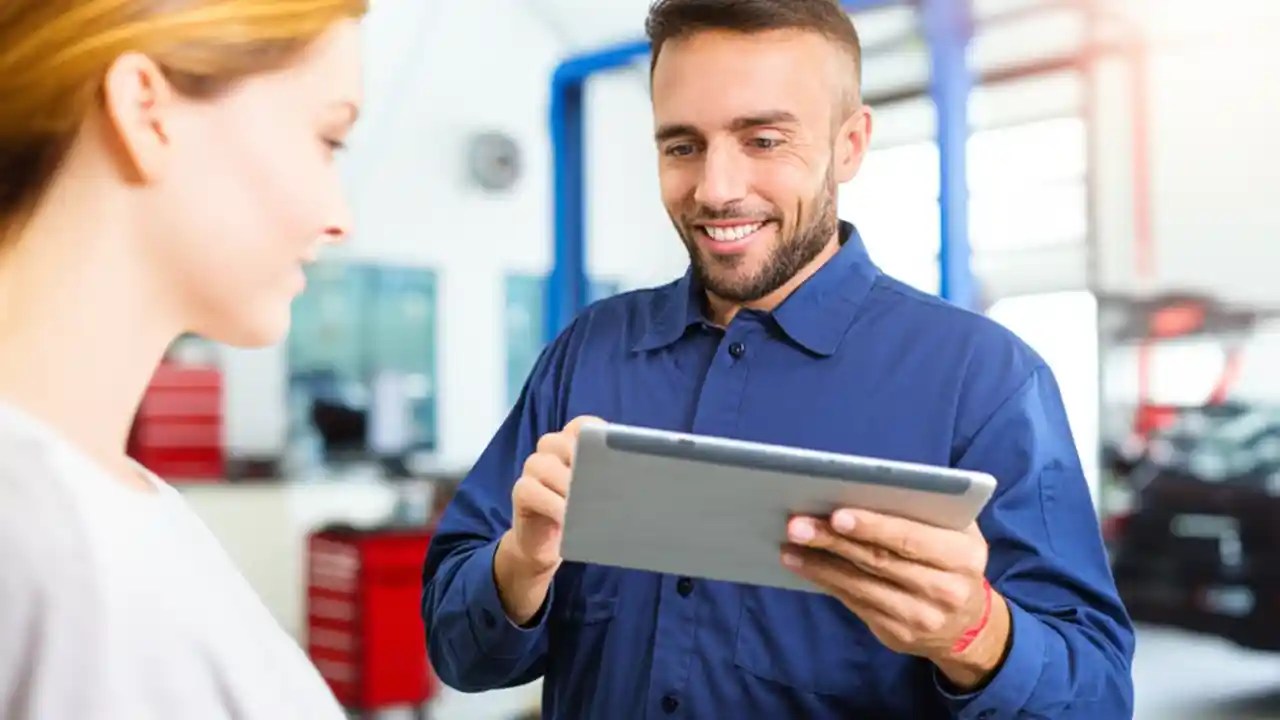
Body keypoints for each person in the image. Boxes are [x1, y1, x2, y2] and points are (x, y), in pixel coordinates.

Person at [422, 0, 1135, 717]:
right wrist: (522, 565)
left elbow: (1097, 697)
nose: (716, 189)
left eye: (763, 140)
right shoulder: (590, 353)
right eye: (682, 146)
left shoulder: (982, 379)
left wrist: (974, 635)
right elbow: (458, 651)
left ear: (849, 144)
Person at [0, 1, 365, 717]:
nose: (339, 216)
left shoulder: (115, 506)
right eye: (329, 139)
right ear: (146, 110)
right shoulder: (44, 547)